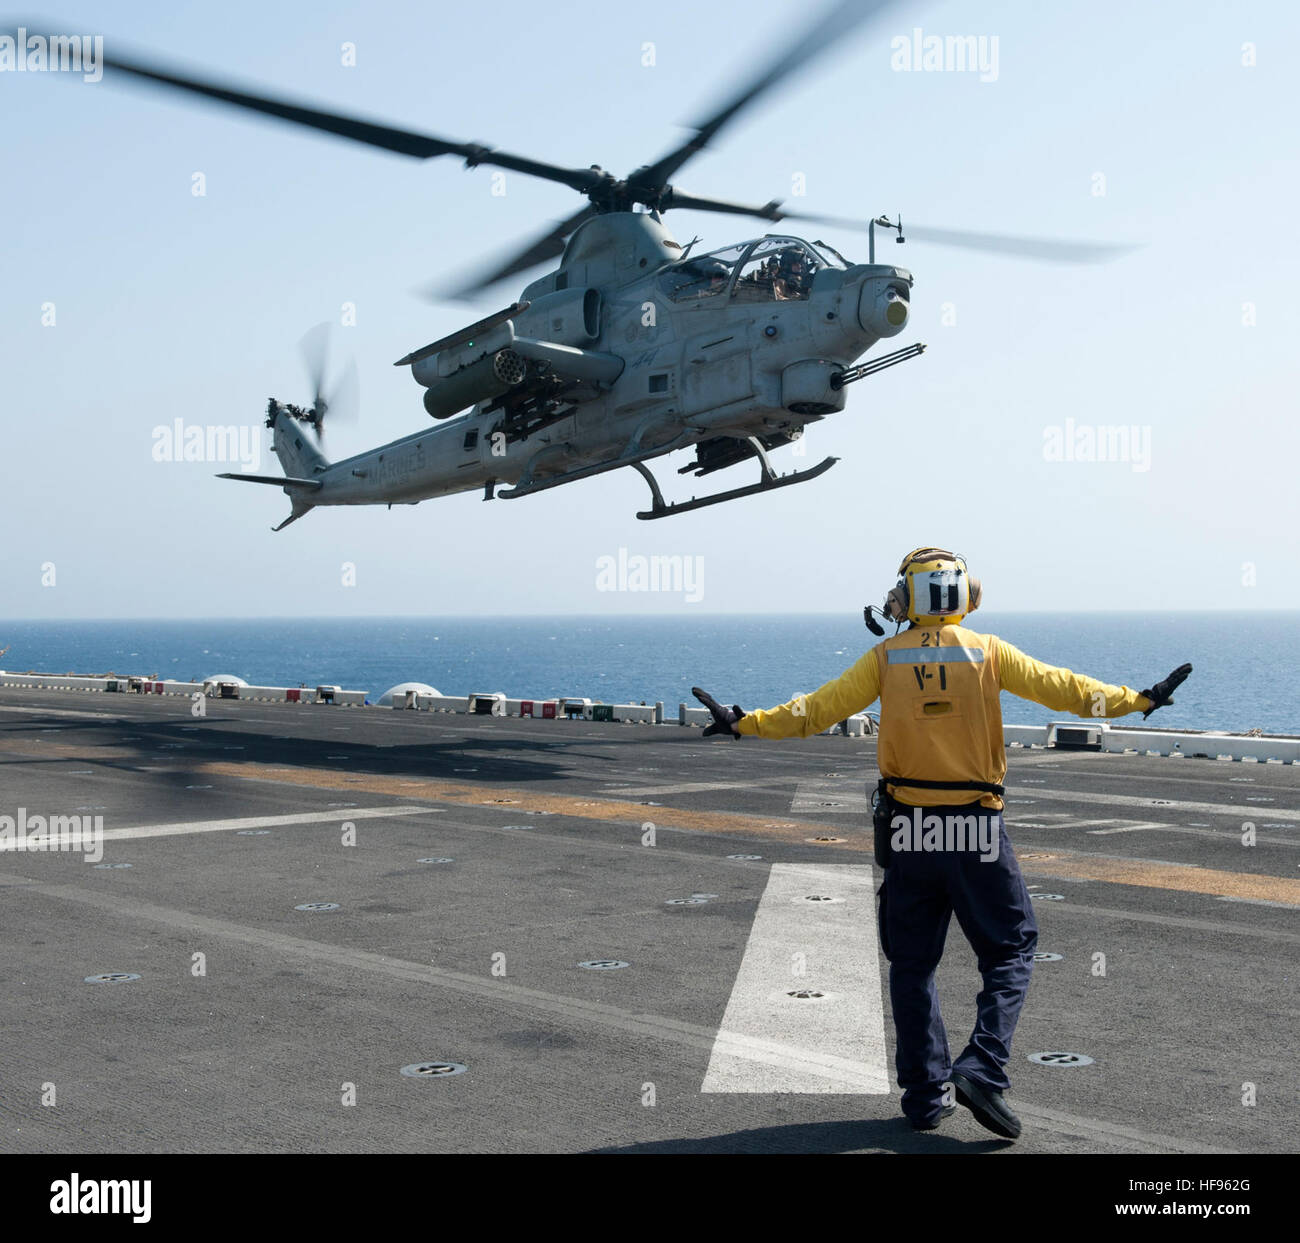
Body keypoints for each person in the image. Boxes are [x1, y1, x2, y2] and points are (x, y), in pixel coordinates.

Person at [693, 548, 1191, 1139]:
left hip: (909, 829)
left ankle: (926, 1097)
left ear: (911, 595)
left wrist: (743, 722)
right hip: (976, 826)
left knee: (912, 963)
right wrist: (1141, 699)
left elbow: (815, 711)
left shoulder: (885, 658)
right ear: (963, 595)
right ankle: (982, 1066)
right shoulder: (987, 652)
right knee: (1010, 949)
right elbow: (1069, 690)